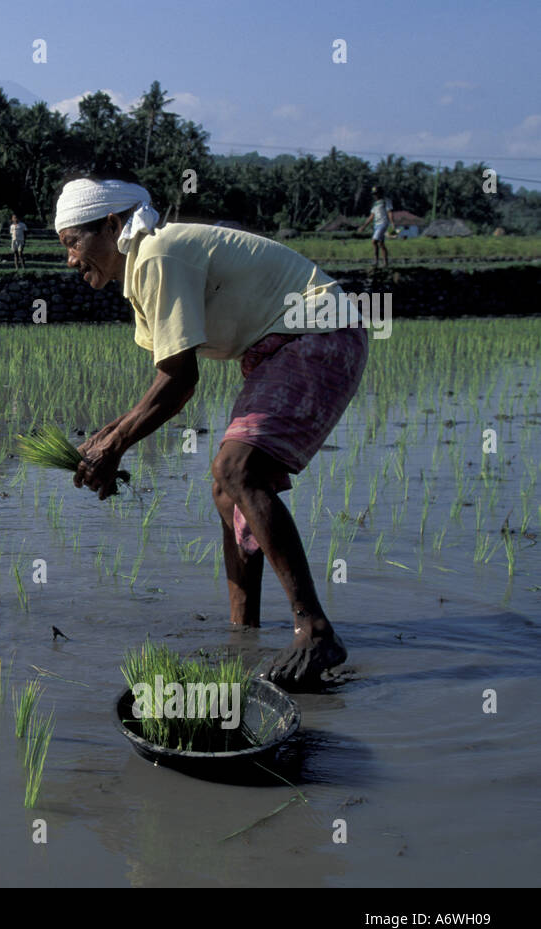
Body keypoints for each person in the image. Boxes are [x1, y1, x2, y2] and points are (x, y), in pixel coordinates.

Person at [55, 176, 368, 691]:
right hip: (281, 347)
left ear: (111, 225)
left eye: (72, 242)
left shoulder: (156, 254)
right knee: (228, 488)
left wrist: (113, 445)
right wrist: (104, 440)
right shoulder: (145, 265)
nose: (69, 259)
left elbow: (180, 381)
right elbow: (167, 377)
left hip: (317, 335)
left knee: (235, 469)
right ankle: (242, 636)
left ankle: (313, 630)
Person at [357, 187, 394, 268]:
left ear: (380, 193)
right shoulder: (375, 204)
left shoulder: (386, 201)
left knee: (374, 241)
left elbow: (389, 212)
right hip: (376, 224)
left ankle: (376, 261)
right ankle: (385, 262)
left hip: (383, 223)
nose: (375, 195)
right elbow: (371, 216)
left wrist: (392, 223)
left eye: (376, 193)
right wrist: (363, 226)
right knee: (381, 243)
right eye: (374, 194)